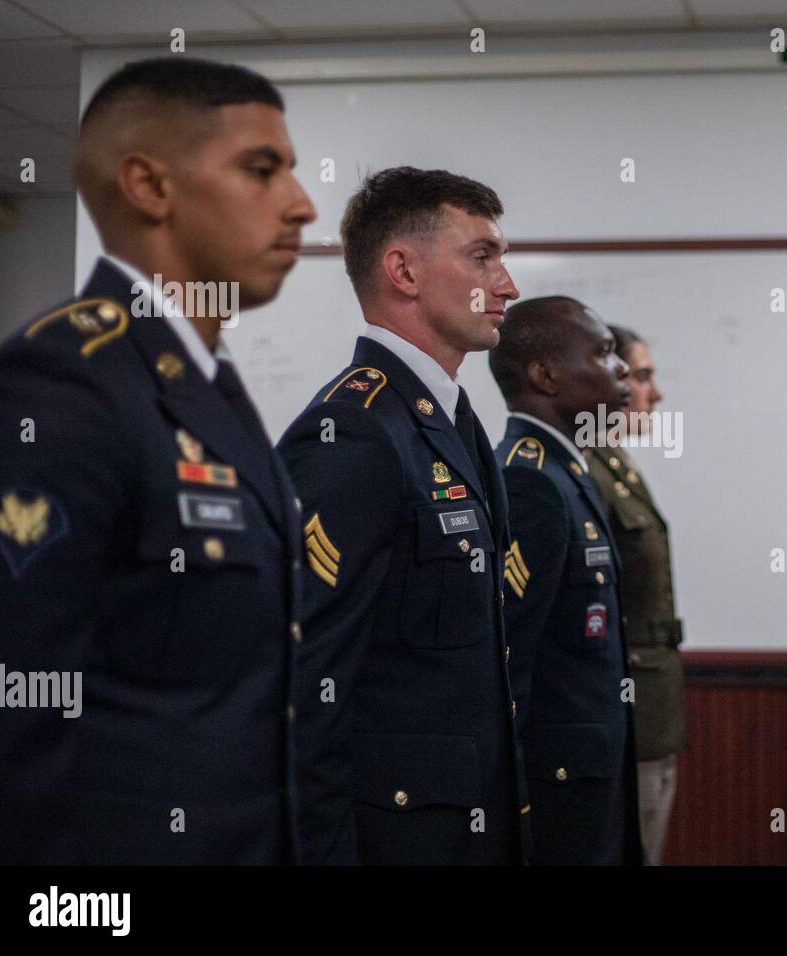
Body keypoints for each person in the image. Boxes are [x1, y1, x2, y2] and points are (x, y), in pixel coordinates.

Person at [0, 57, 317, 863]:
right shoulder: (61, 385)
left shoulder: (203, 383)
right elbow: (8, 728)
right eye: (261, 170)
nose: (301, 205)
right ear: (149, 186)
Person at [277, 168, 527, 865]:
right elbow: (302, 690)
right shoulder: (353, 431)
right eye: (483, 257)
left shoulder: (451, 420)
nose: (508, 285)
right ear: (403, 271)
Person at [489, 296, 643, 865]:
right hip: (554, 797)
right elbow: (509, 664)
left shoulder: (565, 473)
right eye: (603, 353)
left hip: (587, 777)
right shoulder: (531, 483)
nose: (621, 368)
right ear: (545, 375)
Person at [585, 324, 685, 866]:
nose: (655, 393)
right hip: (622, 705)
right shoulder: (588, 472)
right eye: (643, 377)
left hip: (650, 701)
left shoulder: (617, 466)